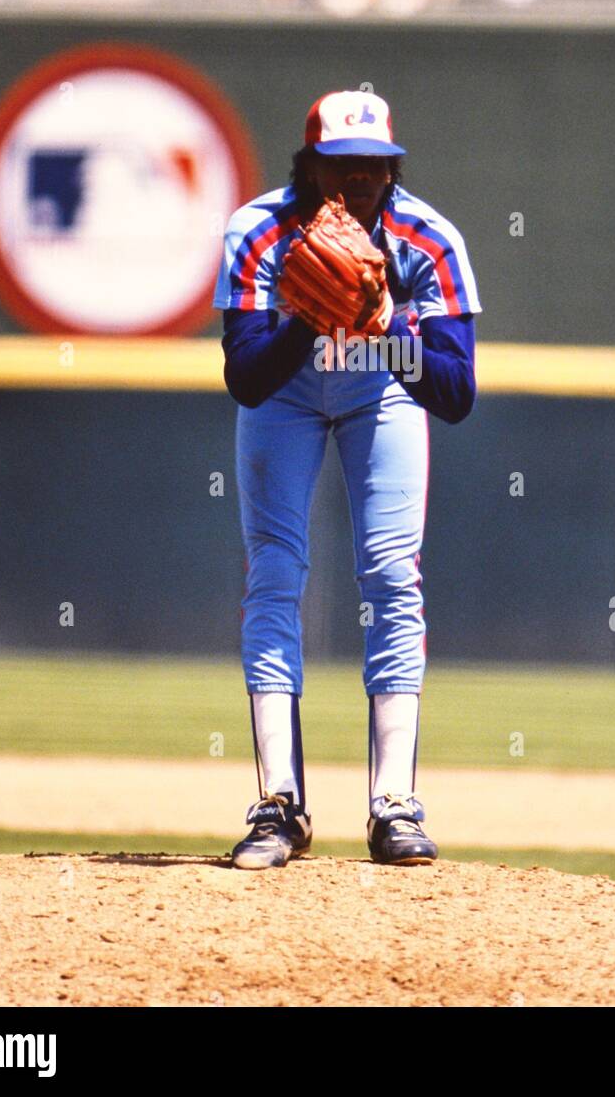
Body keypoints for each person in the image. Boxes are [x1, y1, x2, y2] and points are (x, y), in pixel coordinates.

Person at [213, 89, 481, 868]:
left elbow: (455, 393)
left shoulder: (427, 239)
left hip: (379, 389)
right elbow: (248, 379)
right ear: (307, 166)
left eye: (372, 168)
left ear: (392, 170)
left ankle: (394, 805)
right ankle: (278, 806)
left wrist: (385, 326)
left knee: (394, 576)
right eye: (339, 168)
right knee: (273, 575)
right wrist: (307, 314)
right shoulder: (258, 230)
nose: (356, 183)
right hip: (287, 395)